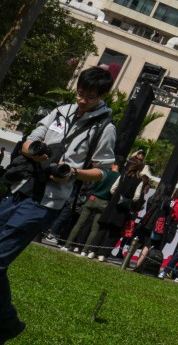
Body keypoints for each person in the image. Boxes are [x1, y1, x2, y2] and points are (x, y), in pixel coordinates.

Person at [0, 66, 116, 342]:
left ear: (101, 96)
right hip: (20, 188)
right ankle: (6, 324)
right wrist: (35, 153)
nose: (81, 99)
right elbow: (29, 140)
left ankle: (6, 322)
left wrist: (73, 172)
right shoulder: (60, 111)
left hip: (47, 201)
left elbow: (103, 171)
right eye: (80, 92)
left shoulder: (105, 128)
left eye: (89, 96)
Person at [90, 153, 146, 261]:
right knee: (114, 232)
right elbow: (137, 197)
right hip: (123, 209)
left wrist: (116, 197)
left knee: (103, 228)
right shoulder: (139, 180)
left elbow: (113, 189)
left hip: (112, 204)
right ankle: (103, 254)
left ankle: (92, 251)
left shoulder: (123, 174)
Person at [133, 185, 178, 271]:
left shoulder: (152, 198)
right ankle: (137, 265)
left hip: (145, 223)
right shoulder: (167, 201)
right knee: (147, 245)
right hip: (155, 225)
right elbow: (171, 215)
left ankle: (128, 261)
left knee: (138, 243)